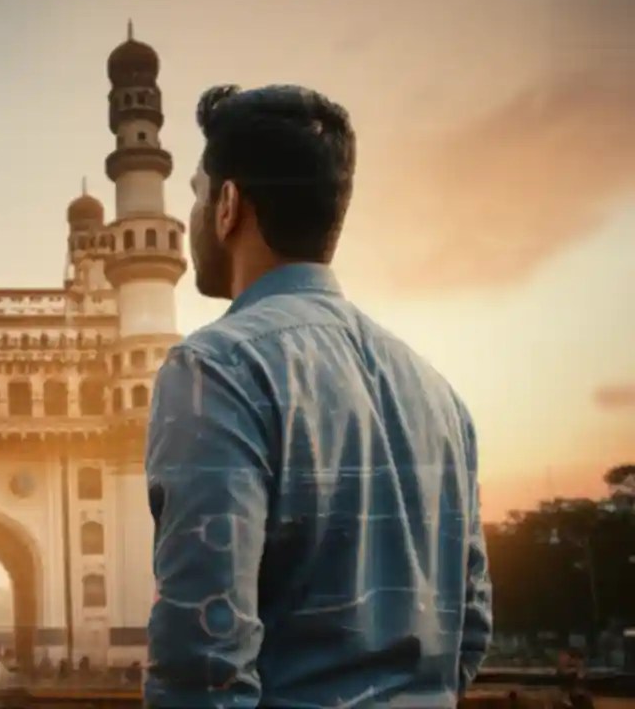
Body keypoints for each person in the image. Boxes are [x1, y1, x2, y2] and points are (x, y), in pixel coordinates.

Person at [144, 84, 492, 707]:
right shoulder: (440, 396)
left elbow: (203, 659)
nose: (192, 217)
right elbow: (470, 631)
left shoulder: (217, 369)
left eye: (196, 194)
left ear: (227, 205)